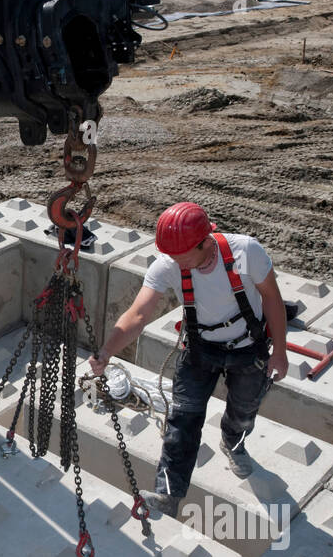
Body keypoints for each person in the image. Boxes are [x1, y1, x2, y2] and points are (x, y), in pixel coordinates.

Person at [87, 202, 289, 517]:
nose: (176, 262)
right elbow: (138, 314)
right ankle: (169, 493)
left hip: (249, 348)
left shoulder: (246, 252)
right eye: (172, 256)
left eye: (183, 256)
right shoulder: (168, 263)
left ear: (207, 242)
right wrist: (107, 350)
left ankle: (233, 440)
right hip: (199, 350)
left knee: (244, 412)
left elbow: (273, 299)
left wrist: (280, 352)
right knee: (183, 420)